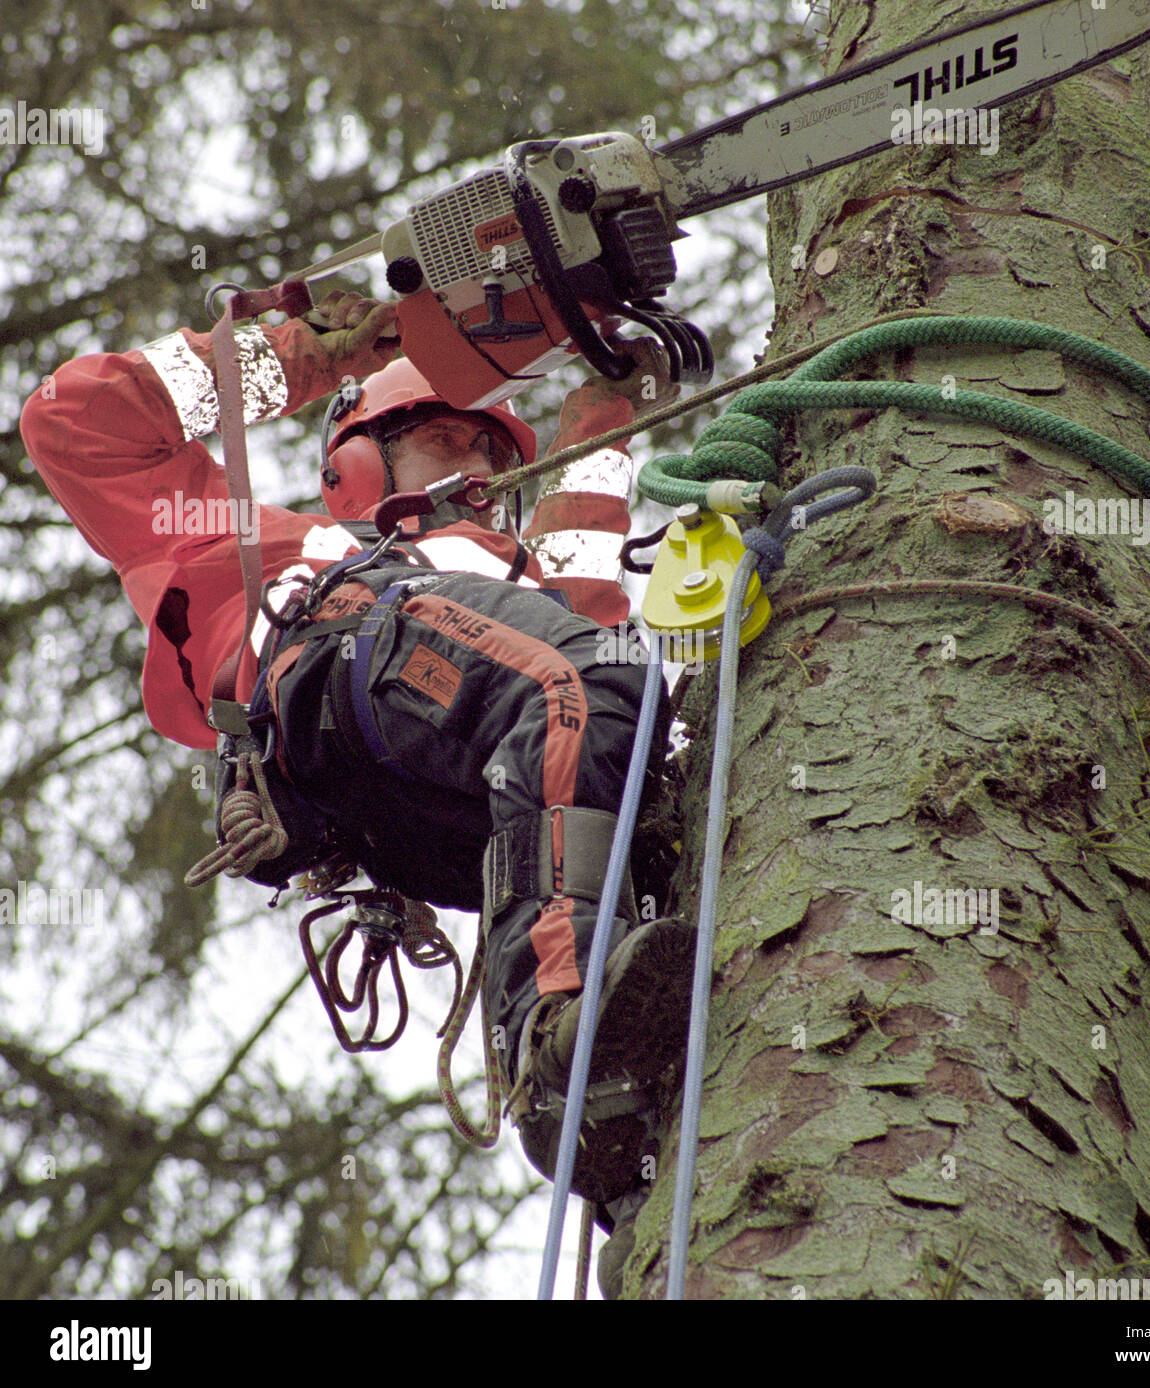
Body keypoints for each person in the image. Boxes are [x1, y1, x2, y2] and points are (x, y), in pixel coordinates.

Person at [19, 288, 694, 1283]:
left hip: (457, 800)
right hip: (352, 672)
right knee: (586, 683)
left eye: (494, 451)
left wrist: (607, 402)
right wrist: (309, 351)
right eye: (439, 438)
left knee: (635, 770)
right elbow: (77, 421)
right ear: (362, 462)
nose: (478, 465)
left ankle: (617, 1133)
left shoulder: (533, 601)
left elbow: (585, 546)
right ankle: (556, 1026)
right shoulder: (277, 545)